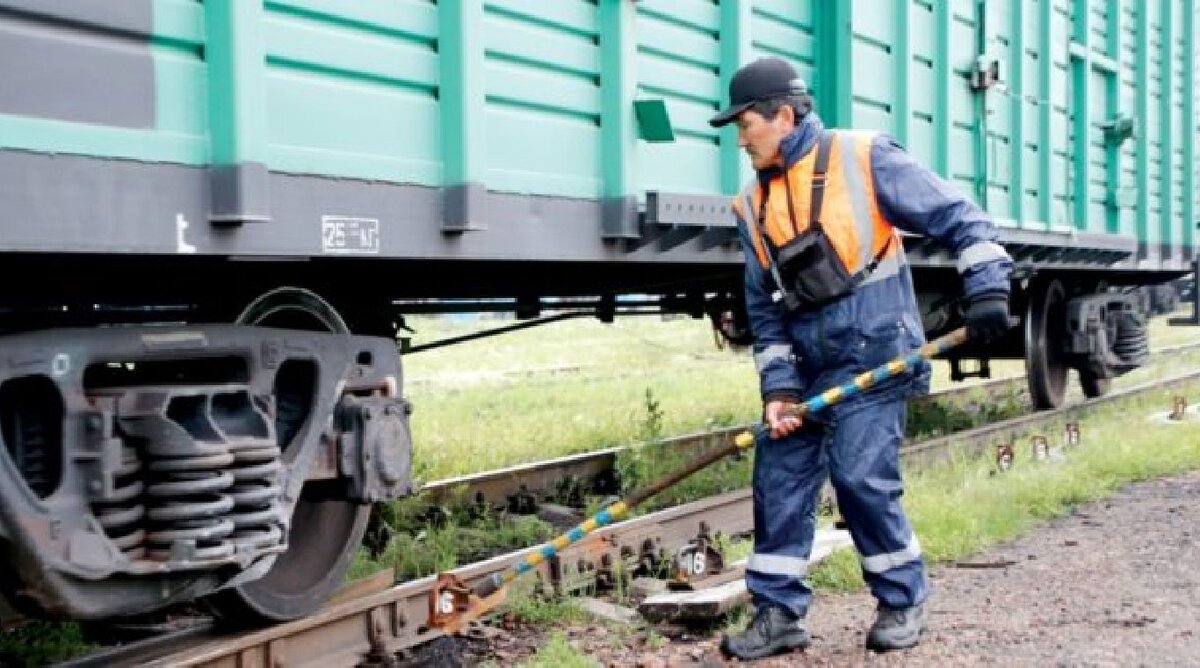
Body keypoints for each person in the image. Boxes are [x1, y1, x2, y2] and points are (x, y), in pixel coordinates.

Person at [710, 57, 1014, 660]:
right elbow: (764, 310)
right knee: (779, 477)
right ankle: (778, 615)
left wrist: (986, 283)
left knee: (859, 477)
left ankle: (902, 598)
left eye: (746, 126)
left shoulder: (863, 156)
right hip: (805, 366)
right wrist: (779, 390)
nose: (740, 141)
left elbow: (959, 217)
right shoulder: (751, 206)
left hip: (875, 355)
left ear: (784, 115)